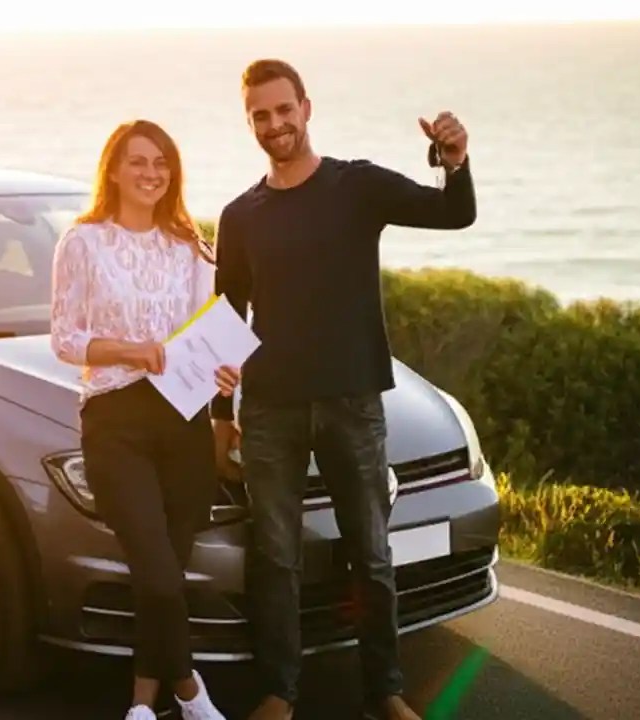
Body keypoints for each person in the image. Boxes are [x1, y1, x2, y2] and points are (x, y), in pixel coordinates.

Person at [209, 59, 476, 720]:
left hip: (353, 401)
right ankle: (279, 692)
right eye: (260, 116)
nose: (275, 124)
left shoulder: (356, 186)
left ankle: (383, 690)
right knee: (275, 558)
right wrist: (221, 415)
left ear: (306, 106)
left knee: (371, 553)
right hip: (269, 410)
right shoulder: (241, 215)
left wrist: (456, 159)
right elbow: (225, 314)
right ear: (250, 124)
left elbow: (453, 213)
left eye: (283, 109)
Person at [50, 119, 241, 720]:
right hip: (115, 416)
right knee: (157, 574)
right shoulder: (81, 243)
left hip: (182, 420)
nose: (151, 173)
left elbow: (208, 335)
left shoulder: (188, 248)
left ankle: (140, 705)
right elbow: (64, 338)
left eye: (161, 162)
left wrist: (225, 376)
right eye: (138, 161)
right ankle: (189, 691)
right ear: (113, 168)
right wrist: (130, 350)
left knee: (164, 571)